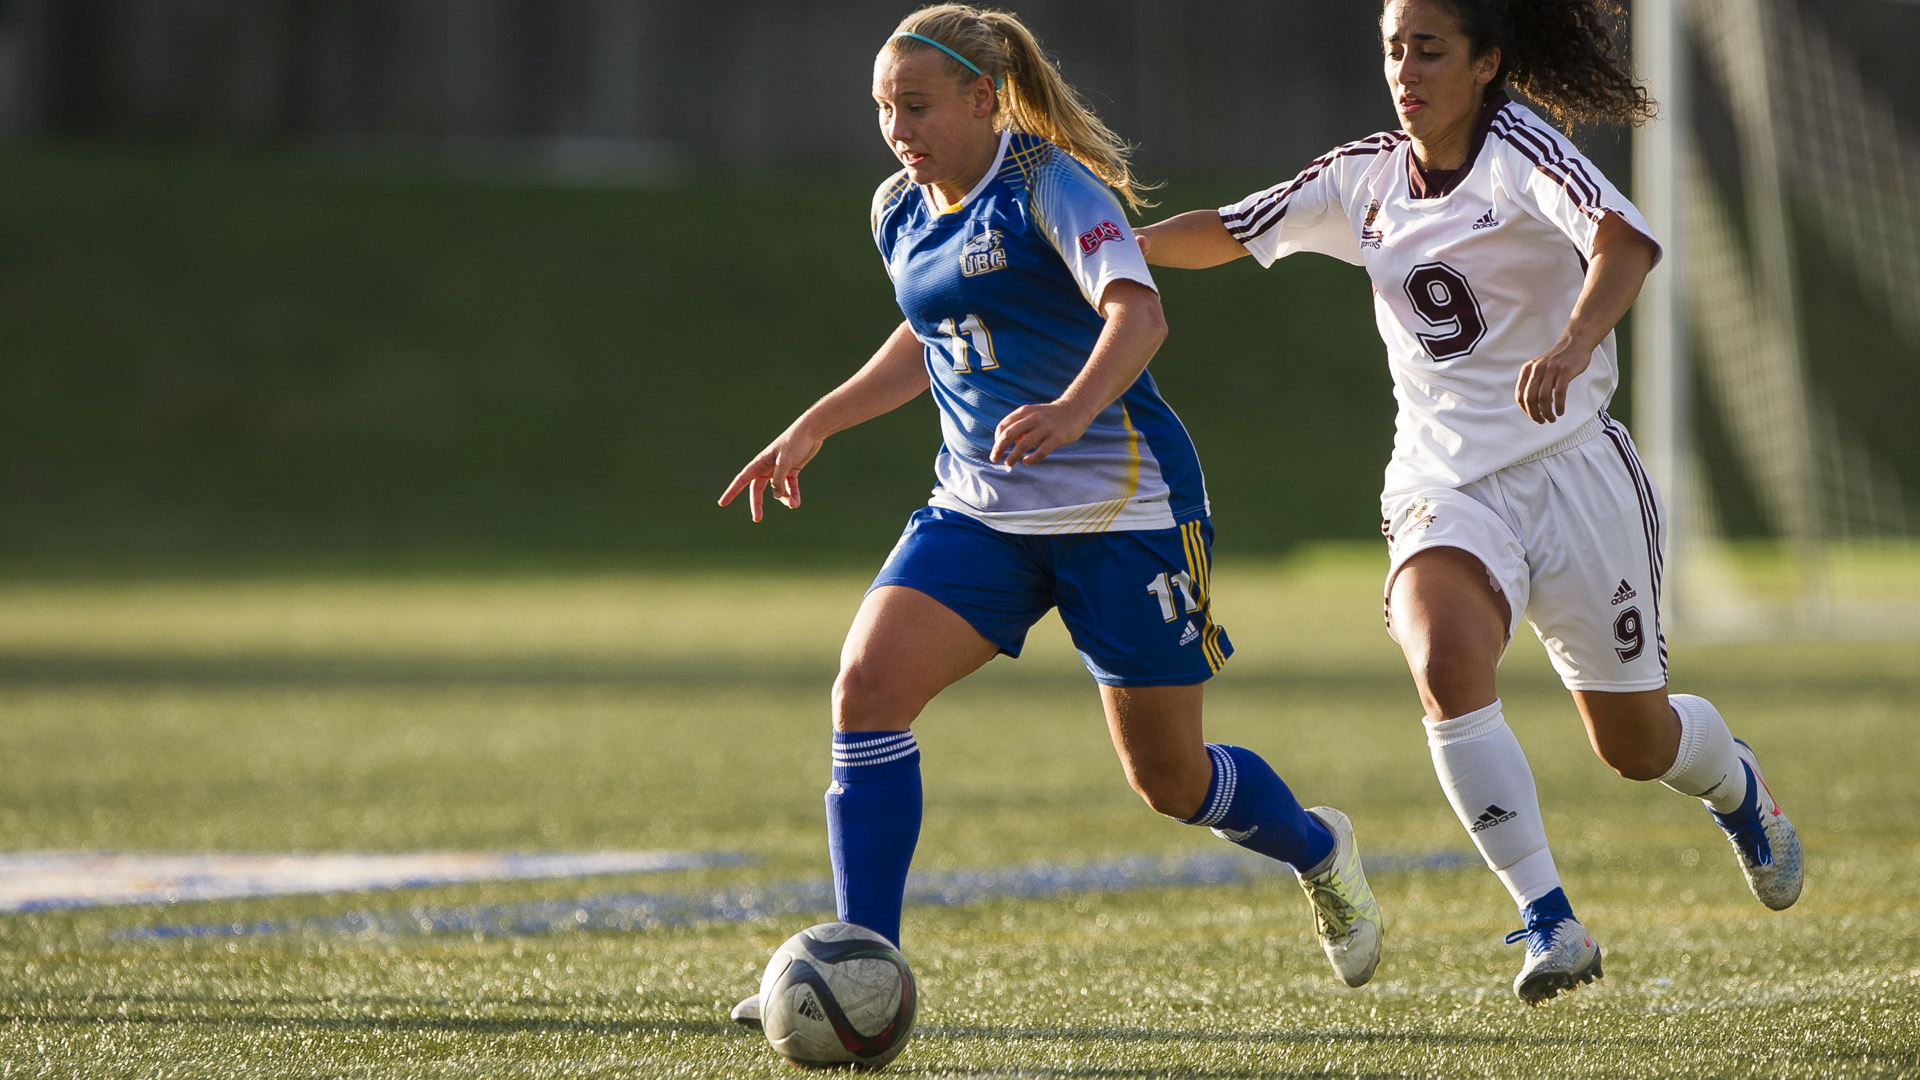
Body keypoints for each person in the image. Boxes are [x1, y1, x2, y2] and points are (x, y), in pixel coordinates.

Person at [719, 4, 1385, 1027]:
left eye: (918, 105)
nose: (898, 127)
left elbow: (1140, 310)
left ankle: (1317, 847)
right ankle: (866, 963)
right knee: (866, 688)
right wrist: (818, 422)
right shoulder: (898, 207)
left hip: (1122, 511)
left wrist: (1074, 408)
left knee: (1167, 777)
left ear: (986, 100)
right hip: (978, 510)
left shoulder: (1049, 186)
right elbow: (933, 332)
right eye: (884, 108)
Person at [1136, 0, 1801, 1005]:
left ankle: (1737, 786)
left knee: (1635, 745)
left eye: (1430, 50)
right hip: (1441, 484)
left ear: (1488, 63)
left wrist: (1573, 342)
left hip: (1574, 472)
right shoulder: (1360, 175)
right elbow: (1228, 231)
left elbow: (1624, 241)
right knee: (1444, 659)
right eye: (1394, 49)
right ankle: (1549, 919)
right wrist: (1103, 249)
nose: (1406, 69)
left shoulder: (1522, 154)